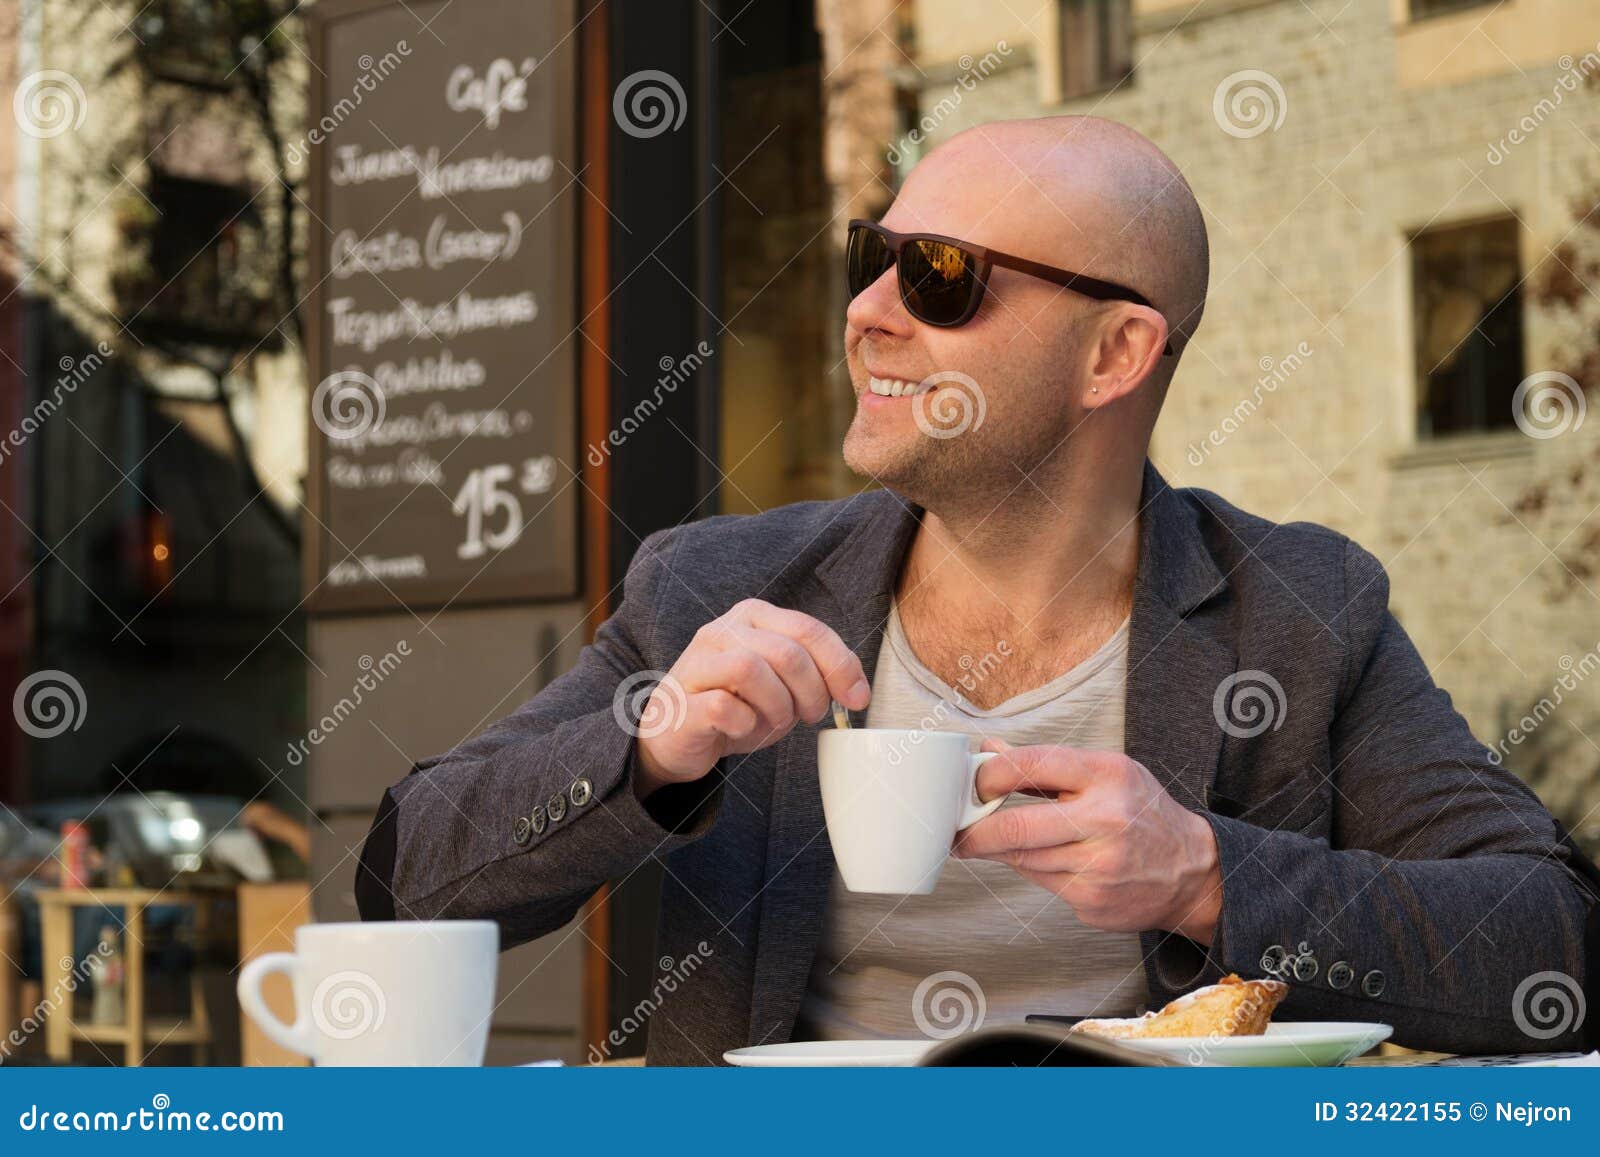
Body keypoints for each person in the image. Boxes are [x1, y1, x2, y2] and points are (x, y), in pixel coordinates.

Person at [356, 116, 1598, 1063]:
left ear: (1115, 352)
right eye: (872, 260)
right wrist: (649, 746)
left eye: (939, 275)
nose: (865, 313)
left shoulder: (1298, 608)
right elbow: (405, 877)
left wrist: (1205, 872)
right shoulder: (720, 589)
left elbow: (1557, 944)